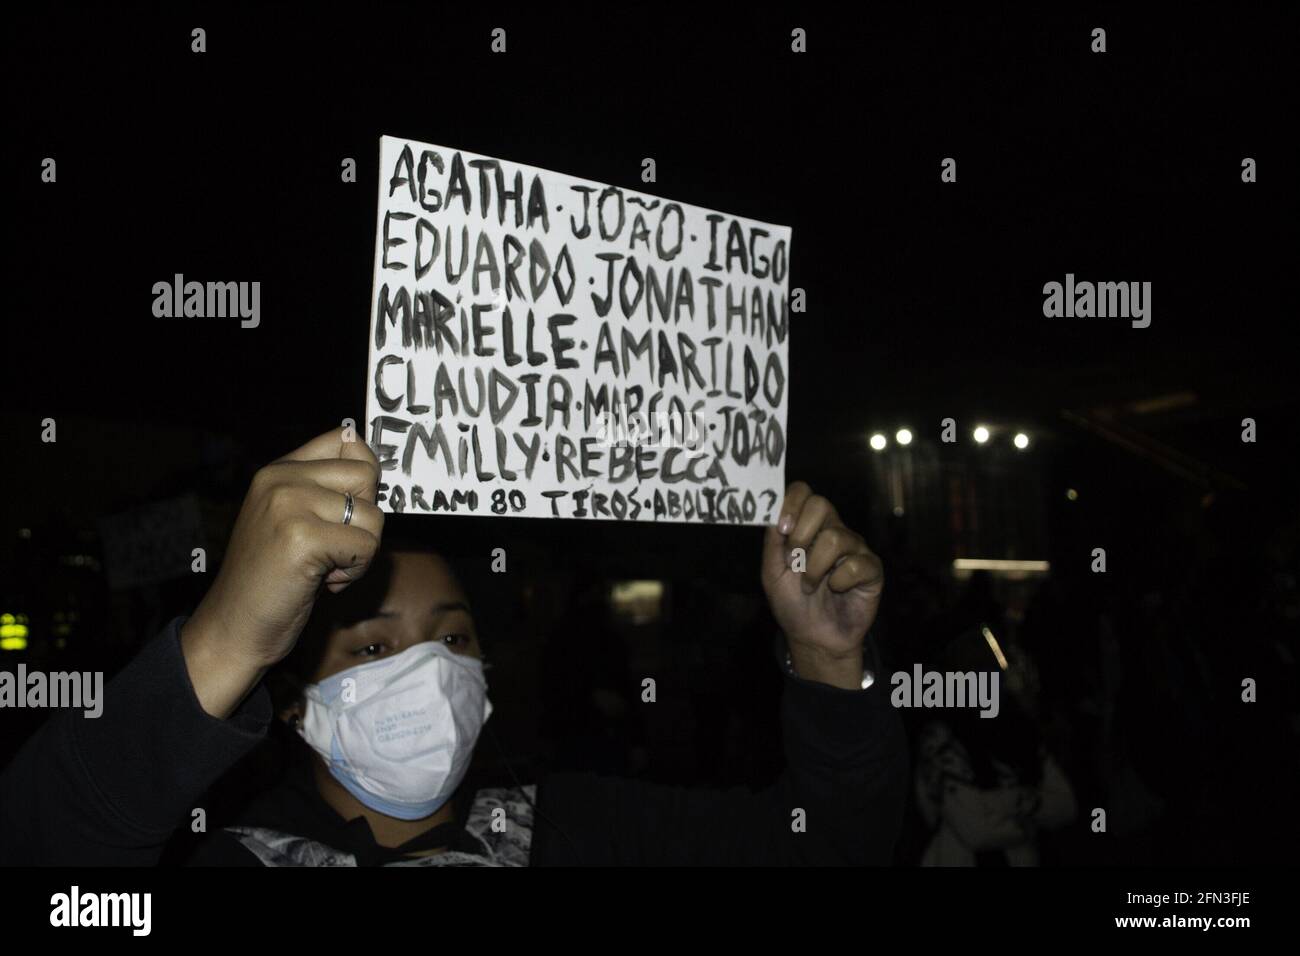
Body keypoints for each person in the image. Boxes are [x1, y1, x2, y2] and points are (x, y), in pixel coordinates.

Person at [0, 428, 907, 866]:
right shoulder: (227, 861)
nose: (431, 671)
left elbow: (832, 847)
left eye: (454, 636)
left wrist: (828, 660)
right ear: (293, 702)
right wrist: (221, 639)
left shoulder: (575, 830)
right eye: (373, 648)